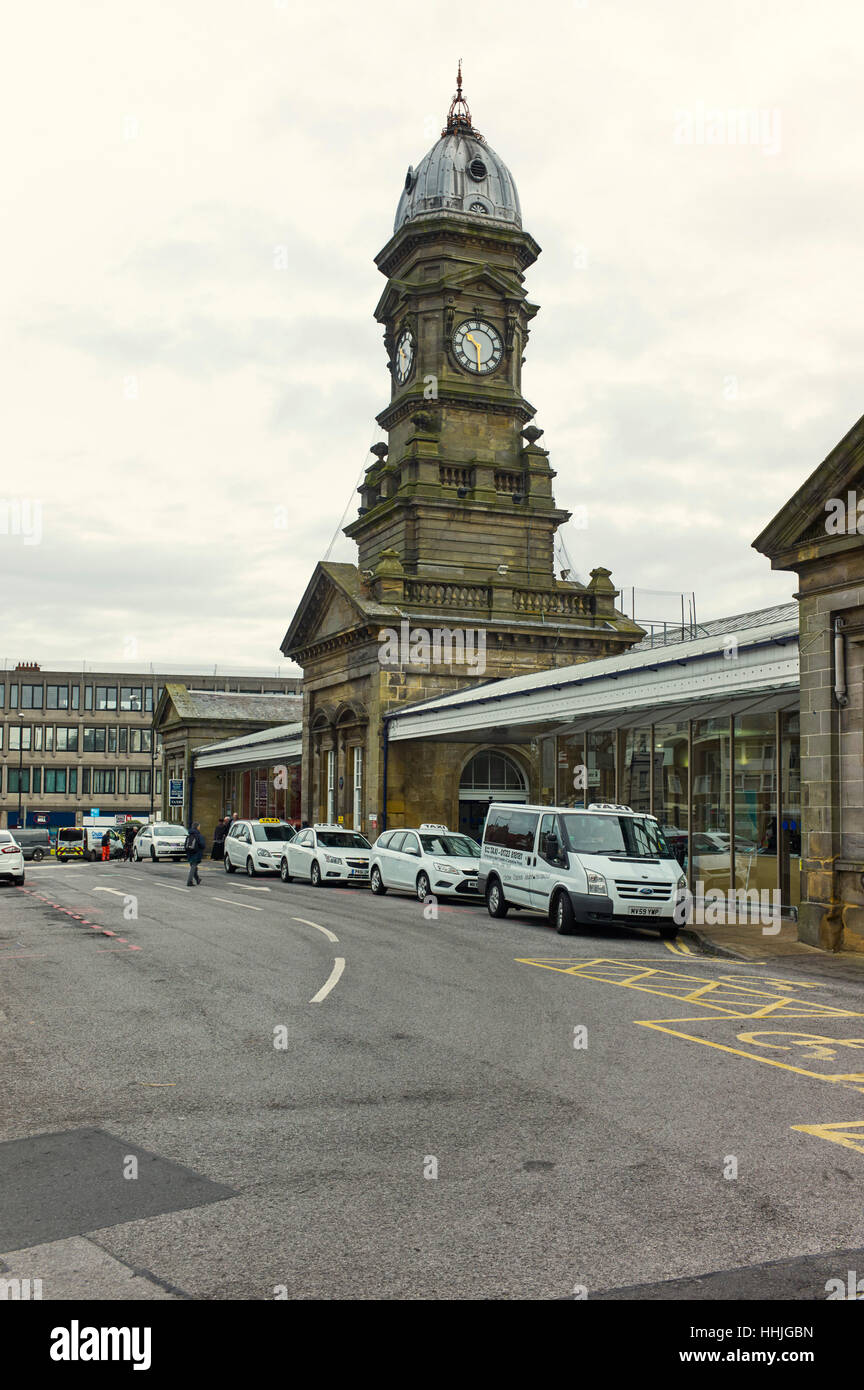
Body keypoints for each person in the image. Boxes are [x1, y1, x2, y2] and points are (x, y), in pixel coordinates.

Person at [185, 822, 205, 886]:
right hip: (196, 853)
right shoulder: (199, 835)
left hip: (189, 853)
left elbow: (185, 845)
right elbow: (202, 845)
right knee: (193, 867)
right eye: (199, 827)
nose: (200, 828)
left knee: (193, 867)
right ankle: (189, 881)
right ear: (197, 827)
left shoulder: (189, 835)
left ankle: (197, 879)